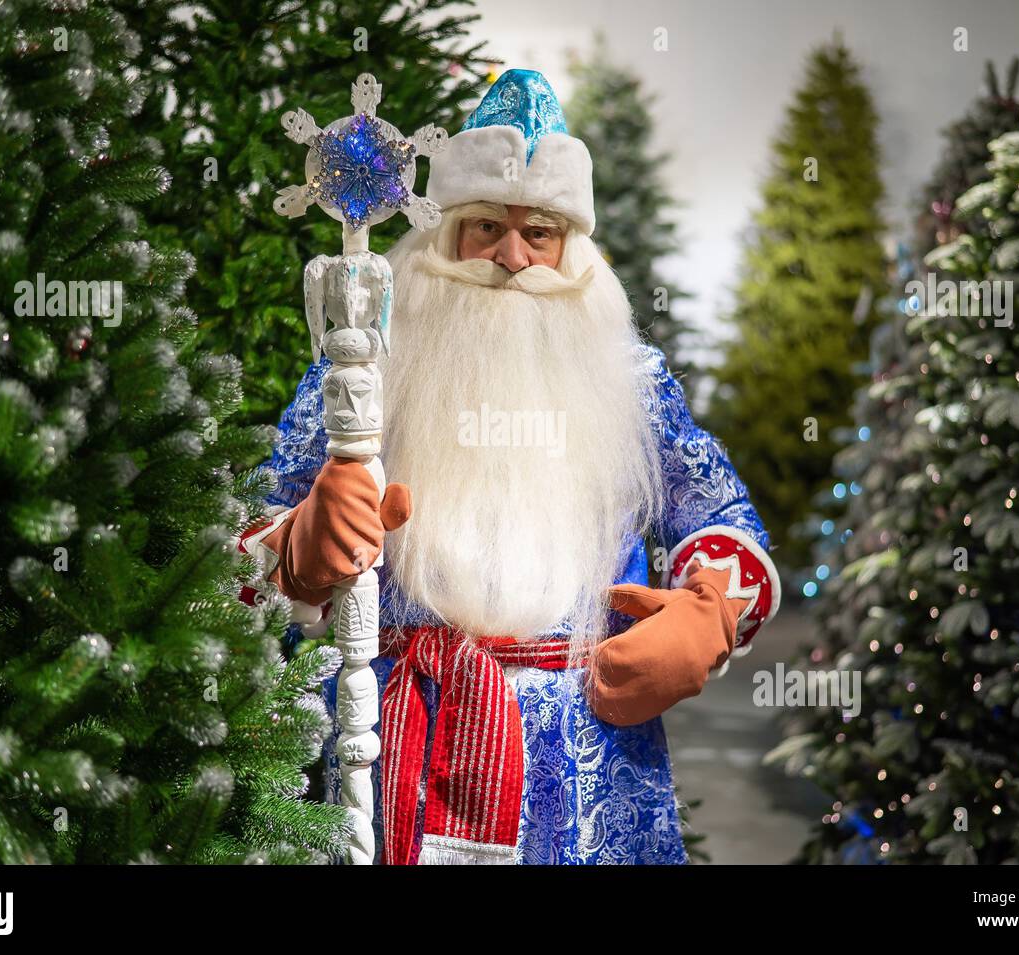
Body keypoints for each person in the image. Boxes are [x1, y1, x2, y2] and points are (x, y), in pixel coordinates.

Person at [244, 69, 779, 865]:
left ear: (574, 245)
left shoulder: (629, 379)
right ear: (447, 230)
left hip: (589, 764)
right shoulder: (367, 370)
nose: (511, 255)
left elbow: (720, 516)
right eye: (487, 225)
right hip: (394, 742)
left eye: (541, 232)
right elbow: (244, 548)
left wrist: (708, 611)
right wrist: (296, 550)